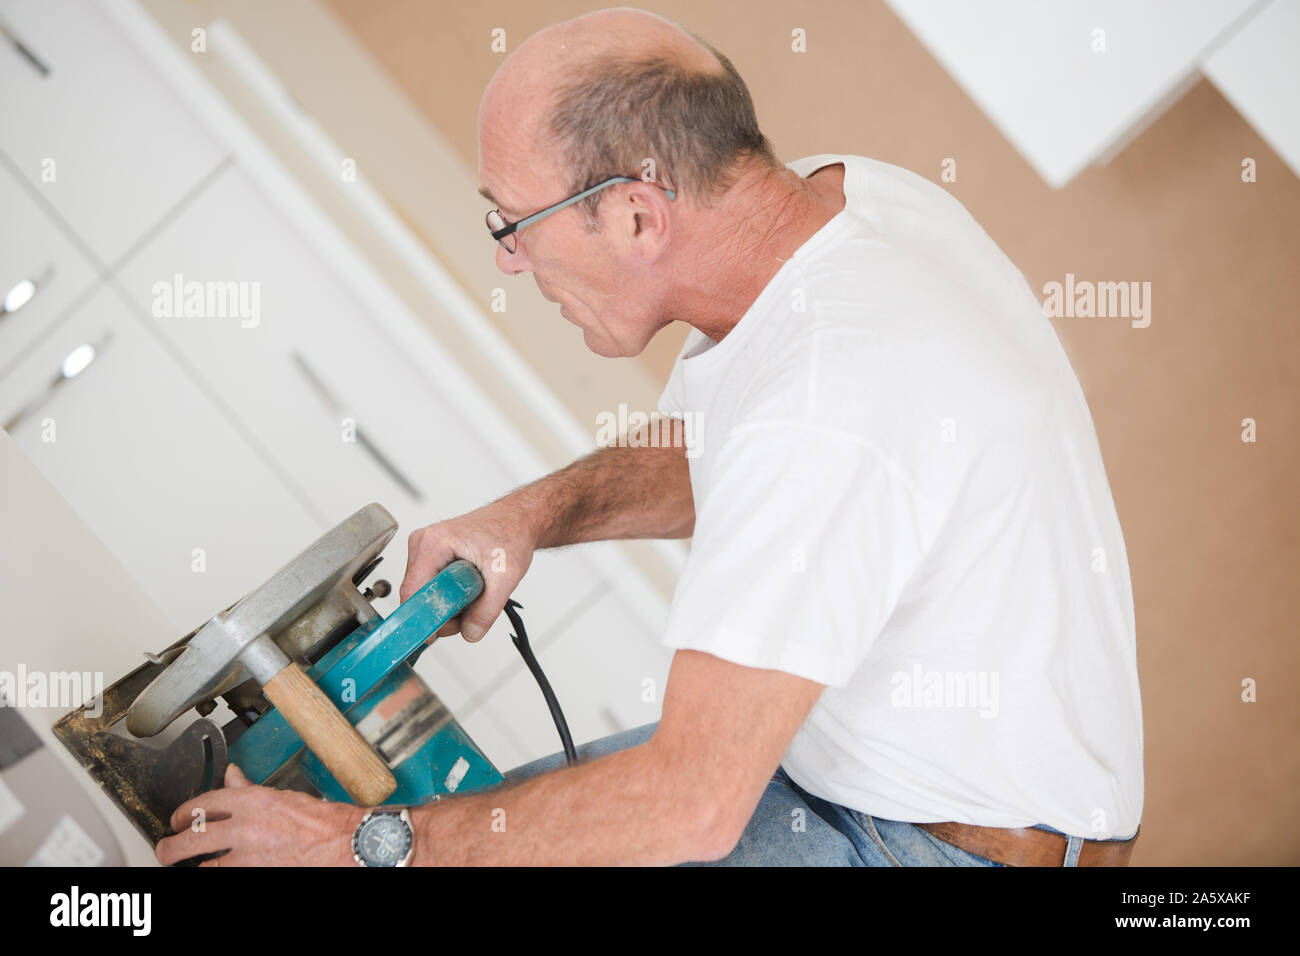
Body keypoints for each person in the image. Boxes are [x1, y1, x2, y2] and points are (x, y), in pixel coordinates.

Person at [157, 7, 1142, 867]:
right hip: (864, 777)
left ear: (634, 213)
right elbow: (723, 450)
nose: (510, 262)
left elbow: (691, 802)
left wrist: (356, 843)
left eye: (511, 222)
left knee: (424, 847)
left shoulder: (824, 394)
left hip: (924, 845)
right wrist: (531, 516)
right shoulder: (846, 207)